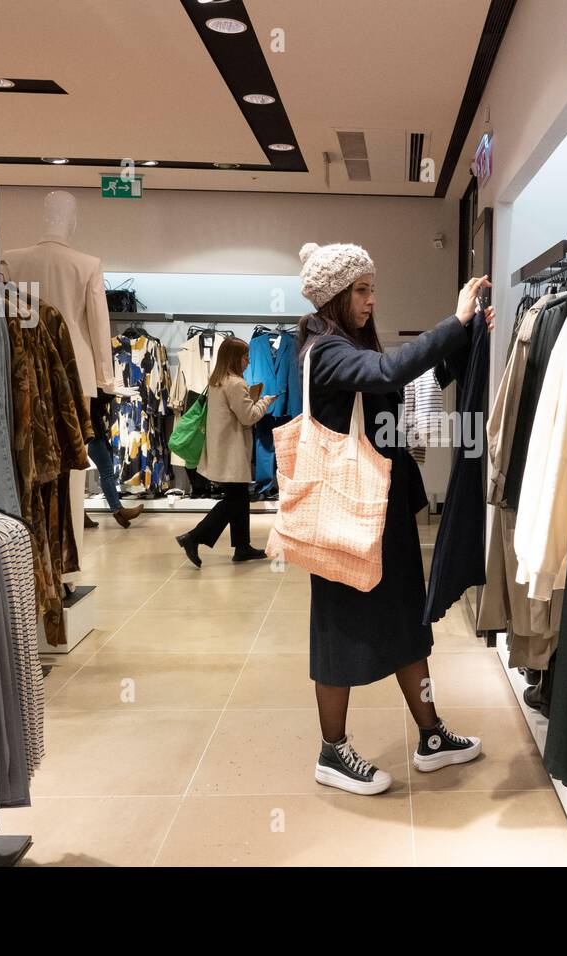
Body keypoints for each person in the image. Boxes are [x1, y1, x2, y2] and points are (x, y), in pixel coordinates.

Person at [294, 240, 495, 795]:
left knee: (408, 624)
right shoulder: (324, 350)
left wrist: (465, 339)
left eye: (371, 289)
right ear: (334, 295)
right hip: (346, 513)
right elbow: (386, 373)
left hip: (382, 510)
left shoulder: (350, 345)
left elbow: (405, 385)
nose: (370, 300)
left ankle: (430, 735)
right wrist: (452, 324)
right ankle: (331, 751)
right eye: (361, 290)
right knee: (337, 628)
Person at [175, 337, 276, 567]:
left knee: (238, 499)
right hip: (232, 451)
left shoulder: (217, 382)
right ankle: (193, 537)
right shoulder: (235, 383)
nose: (248, 362)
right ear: (235, 358)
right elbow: (248, 416)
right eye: (245, 357)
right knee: (234, 501)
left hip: (221, 449)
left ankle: (242, 547)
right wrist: (265, 401)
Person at [85, 391, 144, 528]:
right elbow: (94, 399)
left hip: (92, 428)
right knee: (106, 470)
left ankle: (81, 516)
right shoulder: (88, 381)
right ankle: (119, 511)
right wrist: (110, 391)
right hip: (91, 430)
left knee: (103, 470)